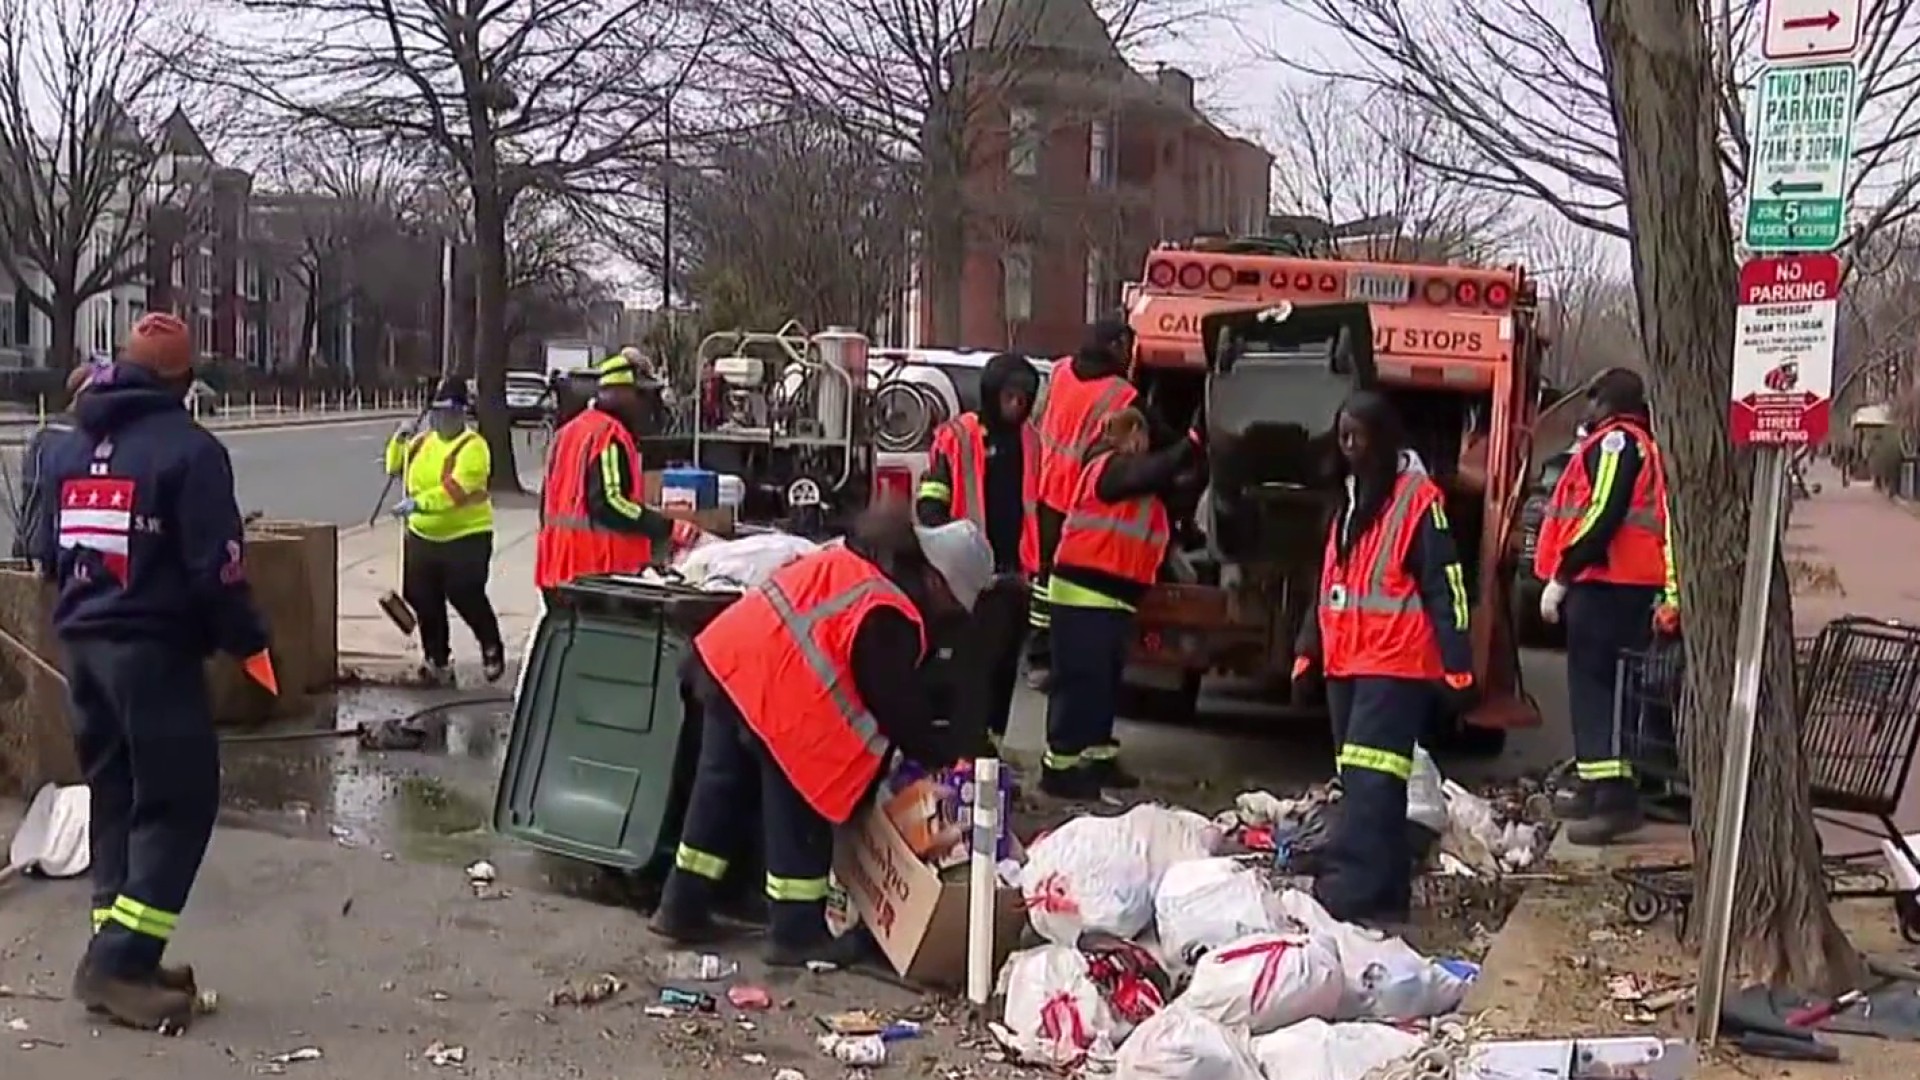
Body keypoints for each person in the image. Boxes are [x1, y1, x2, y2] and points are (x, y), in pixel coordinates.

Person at [34, 314, 274, 1031]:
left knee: (116, 794)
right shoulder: (191, 453)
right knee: (179, 803)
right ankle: (118, 962)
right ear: (182, 381)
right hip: (151, 651)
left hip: (84, 645)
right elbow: (217, 573)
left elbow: (45, 552)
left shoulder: (67, 447)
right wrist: (250, 645)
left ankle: (120, 948)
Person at [650, 510, 992, 965]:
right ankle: (796, 933)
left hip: (730, 662)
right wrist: (945, 756)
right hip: (780, 698)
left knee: (718, 796)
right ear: (938, 581)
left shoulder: (854, 559)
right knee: (799, 818)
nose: (951, 617)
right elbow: (896, 708)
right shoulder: (889, 610)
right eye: (954, 604)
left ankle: (681, 906)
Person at [1290, 391, 1475, 927]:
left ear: (1384, 438)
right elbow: (1328, 583)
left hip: (1394, 662)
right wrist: (1308, 651)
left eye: (1359, 437)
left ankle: (1354, 887)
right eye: (1342, 437)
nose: (1350, 448)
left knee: (1371, 779)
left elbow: (1447, 587)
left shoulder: (1419, 501)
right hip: (1348, 660)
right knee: (1366, 779)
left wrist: (1456, 662)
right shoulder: (1349, 499)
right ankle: (1387, 889)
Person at [1534, 368, 1669, 846]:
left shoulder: (1616, 444)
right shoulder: (1637, 444)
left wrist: (1564, 575)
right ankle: (1601, 786)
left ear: (1608, 403)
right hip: (1620, 585)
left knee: (1597, 691)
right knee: (1608, 690)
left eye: (1592, 400)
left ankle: (1614, 799)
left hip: (1605, 584)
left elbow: (1603, 512)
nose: (1586, 410)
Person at [1041, 408, 1197, 799]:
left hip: (1109, 599)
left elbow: (1175, 483)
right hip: (1083, 595)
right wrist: (1191, 442)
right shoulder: (1108, 469)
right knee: (1080, 683)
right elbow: (1153, 471)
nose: (1144, 447)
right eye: (1141, 438)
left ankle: (1096, 759)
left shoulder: (1137, 482)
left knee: (1102, 686)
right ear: (1128, 436)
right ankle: (1059, 769)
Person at [915, 352, 1041, 752]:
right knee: (970, 668)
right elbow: (932, 494)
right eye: (1010, 396)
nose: (1017, 405)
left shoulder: (1032, 441)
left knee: (1004, 668)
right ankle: (966, 742)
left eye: (1024, 397)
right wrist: (939, 535)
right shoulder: (959, 436)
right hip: (969, 575)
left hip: (1016, 573)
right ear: (992, 394)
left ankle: (991, 741)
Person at [1028, 320, 1141, 687]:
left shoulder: (1060, 370)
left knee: (1045, 577)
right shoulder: (1120, 394)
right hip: (1082, 497)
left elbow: (1040, 418)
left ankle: (1040, 654)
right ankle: (1057, 653)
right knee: (1067, 581)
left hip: (1045, 488)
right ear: (1115, 346)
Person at [535, 354, 699, 591]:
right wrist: (665, 526)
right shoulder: (608, 436)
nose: (645, 405)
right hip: (596, 572)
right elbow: (610, 503)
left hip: (559, 566)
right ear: (621, 393)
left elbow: (547, 502)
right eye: (640, 395)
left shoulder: (570, 432)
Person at [384, 378, 505, 685]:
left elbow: (457, 490)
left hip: (465, 535)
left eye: (450, 412)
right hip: (422, 536)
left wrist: (418, 503)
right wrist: (399, 440)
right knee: (422, 596)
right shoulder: (422, 442)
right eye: (437, 412)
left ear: (463, 413)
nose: (443, 419)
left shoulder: (474, 447)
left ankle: (491, 645)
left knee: (465, 592)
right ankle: (436, 658)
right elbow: (394, 467)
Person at [13, 364, 98, 566]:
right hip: (58, 548)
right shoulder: (79, 440)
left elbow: (30, 491)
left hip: (34, 543)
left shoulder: (44, 437)